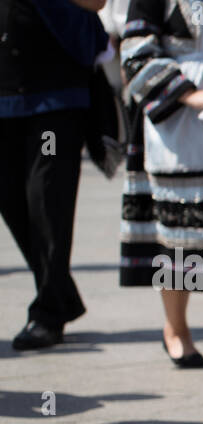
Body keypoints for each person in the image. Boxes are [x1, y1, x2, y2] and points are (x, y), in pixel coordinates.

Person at [118, 0, 203, 368]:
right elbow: (134, 49)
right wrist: (189, 94)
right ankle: (176, 329)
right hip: (178, 119)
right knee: (177, 240)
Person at [1, 0, 108, 351]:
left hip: (55, 97)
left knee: (46, 196)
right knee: (10, 196)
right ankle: (62, 295)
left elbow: (97, 3)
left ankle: (48, 312)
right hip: (5, 92)